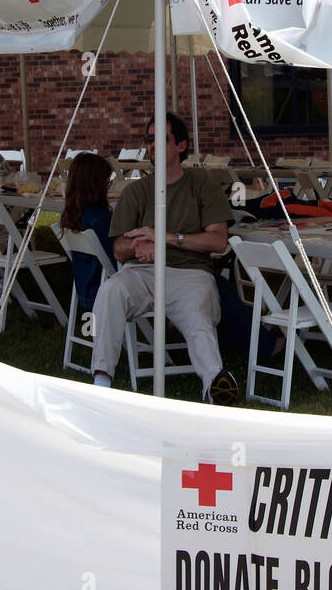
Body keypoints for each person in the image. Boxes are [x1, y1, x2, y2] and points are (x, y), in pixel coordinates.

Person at [90, 114, 238, 403]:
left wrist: (165, 238)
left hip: (190, 273)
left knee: (197, 315)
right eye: (149, 139)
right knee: (110, 290)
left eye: (161, 139)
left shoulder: (202, 185)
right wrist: (139, 248)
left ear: (181, 145)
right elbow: (119, 249)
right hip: (142, 271)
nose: (153, 145)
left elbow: (218, 241)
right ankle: (101, 381)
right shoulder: (136, 191)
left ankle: (214, 386)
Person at [59, 152, 116, 314]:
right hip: (106, 291)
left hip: (84, 288)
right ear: (96, 184)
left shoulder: (70, 215)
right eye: (107, 181)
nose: (108, 186)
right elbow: (117, 258)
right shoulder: (102, 220)